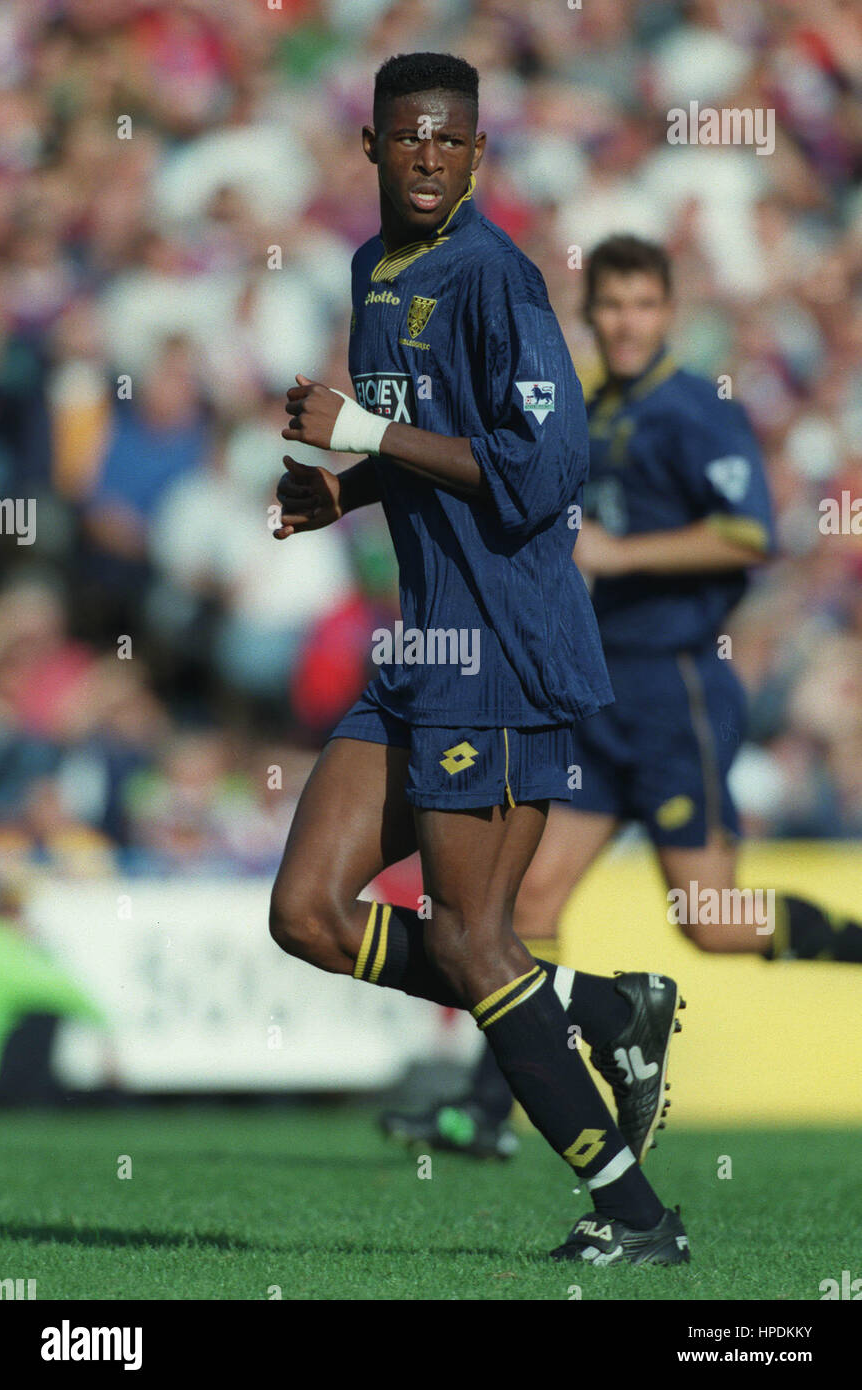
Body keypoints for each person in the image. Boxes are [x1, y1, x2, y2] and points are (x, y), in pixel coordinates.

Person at [268, 57, 689, 1267]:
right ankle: (606, 1010)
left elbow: (540, 468)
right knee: (304, 911)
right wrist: (342, 490)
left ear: (478, 156)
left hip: (501, 650)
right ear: (371, 144)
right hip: (423, 647)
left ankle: (635, 1215)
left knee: (470, 936)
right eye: (409, 139)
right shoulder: (371, 269)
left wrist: (362, 431)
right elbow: (432, 447)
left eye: (452, 143)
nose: (429, 158)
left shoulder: (498, 277)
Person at [381, 234, 862, 1173]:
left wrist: (618, 555)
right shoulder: (589, 410)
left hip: (675, 685)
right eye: (611, 307)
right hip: (595, 687)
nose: (626, 322)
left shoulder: (693, 410)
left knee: (712, 920)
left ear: (666, 311)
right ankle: (488, 1110)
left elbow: (748, 534)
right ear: (589, 313)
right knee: (528, 901)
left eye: (643, 305)